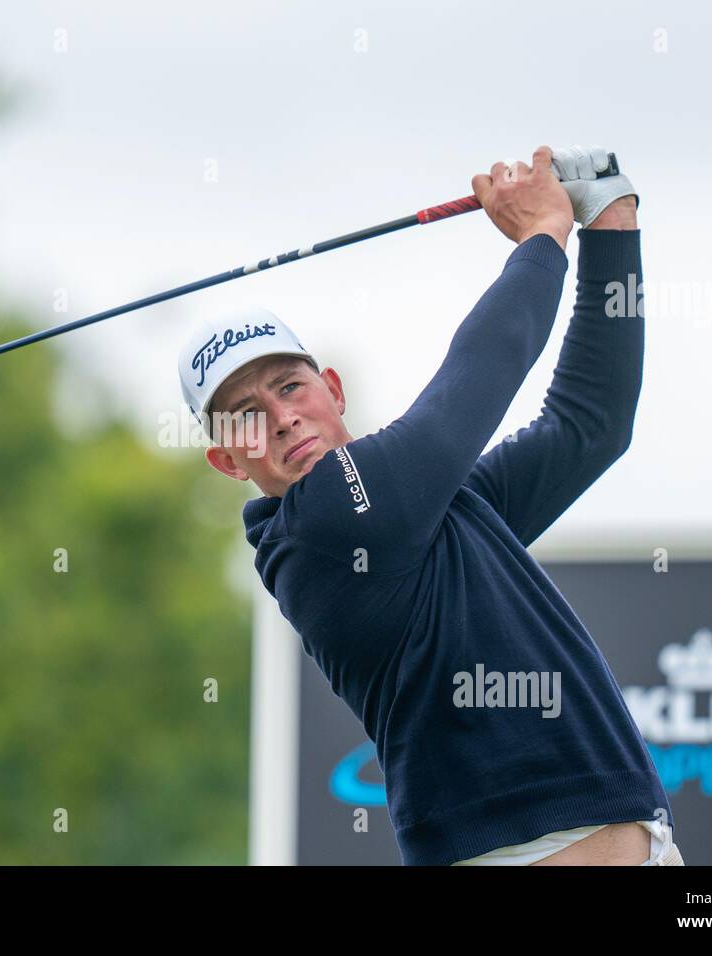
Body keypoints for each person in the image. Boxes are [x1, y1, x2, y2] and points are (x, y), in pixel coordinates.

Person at [176, 145, 684, 865]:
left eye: (289, 387)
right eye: (244, 415)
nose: (282, 418)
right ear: (228, 460)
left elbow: (590, 424)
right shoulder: (322, 525)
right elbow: (472, 383)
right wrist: (542, 236)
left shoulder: (438, 510)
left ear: (333, 390)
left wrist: (608, 225)